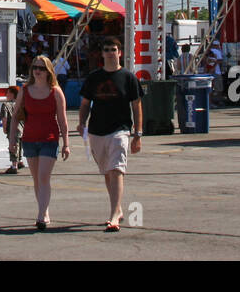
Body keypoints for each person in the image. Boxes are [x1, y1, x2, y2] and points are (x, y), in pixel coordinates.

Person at [78, 37, 143, 231]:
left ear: (119, 52)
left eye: (113, 49)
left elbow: (137, 105)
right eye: (106, 49)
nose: (110, 52)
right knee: (107, 172)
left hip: (120, 130)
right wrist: (81, 123)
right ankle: (118, 208)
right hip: (97, 131)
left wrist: (138, 133)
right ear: (102, 53)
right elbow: (84, 104)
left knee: (116, 169)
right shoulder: (94, 78)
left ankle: (113, 215)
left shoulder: (128, 77)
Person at [10, 55, 70, 229]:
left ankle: (41, 215)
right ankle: (44, 210)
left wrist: (66, 143)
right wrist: (12, 140)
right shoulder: (25, 90)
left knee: (44, 177)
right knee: (36, 179)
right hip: (29, 139)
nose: (37, 71)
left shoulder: (55, 91)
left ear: (48, 71)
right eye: (35, 67)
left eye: (41, 68)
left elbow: (63, 119)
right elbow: (14, 117)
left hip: (49, 138)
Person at [1, 85, 23, 174]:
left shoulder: (6, 105)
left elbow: (4, 118)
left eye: (7, 93)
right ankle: (20, 161)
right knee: (20, 145)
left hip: (12, 128)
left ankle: (14, 165)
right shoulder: (21, 103)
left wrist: (4, 128)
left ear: (12, 94)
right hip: (22, 128)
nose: (6, 94)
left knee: (13, 145)